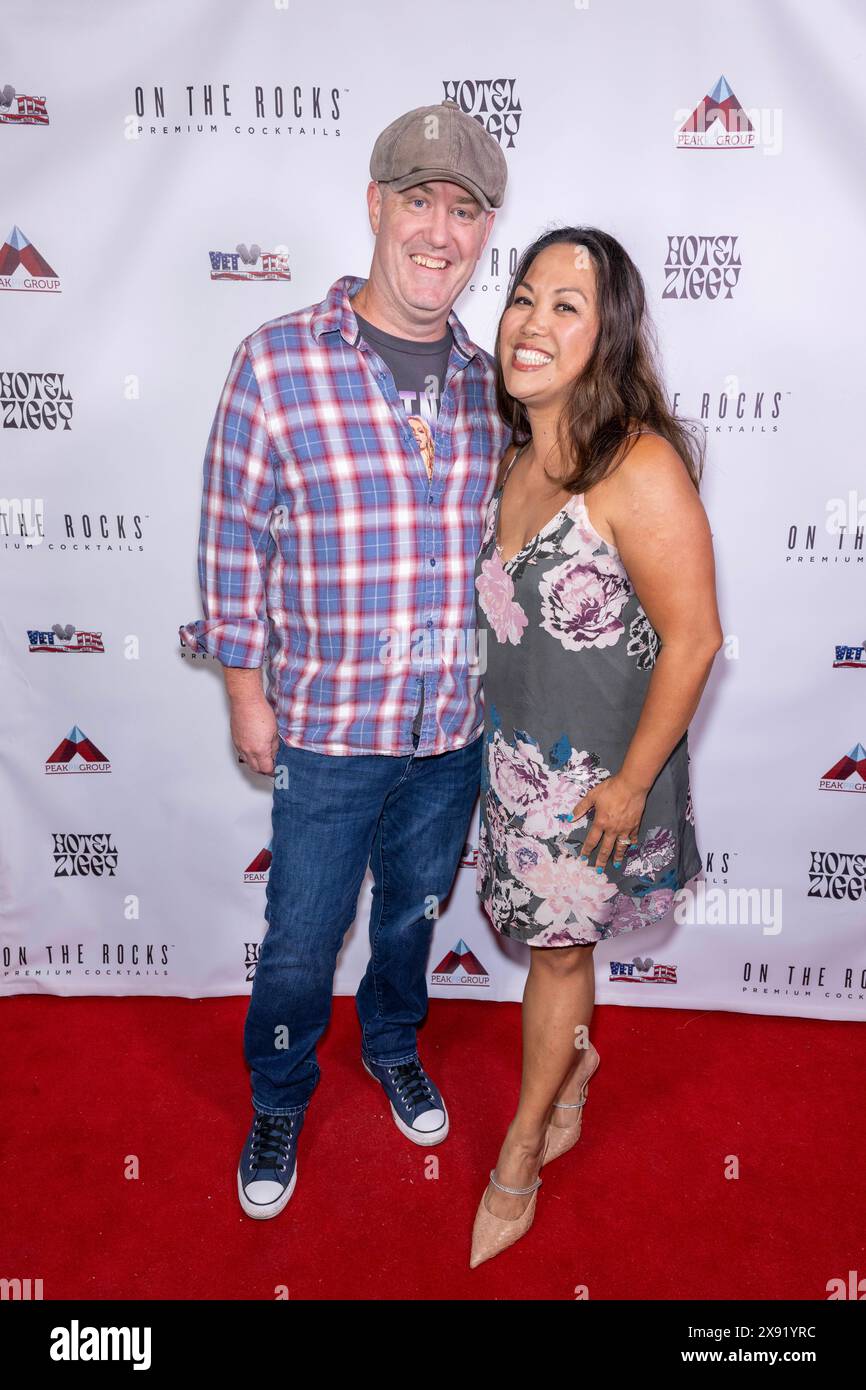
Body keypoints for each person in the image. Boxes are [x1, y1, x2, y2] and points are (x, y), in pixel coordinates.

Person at [179, 100, 510, 1219]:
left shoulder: (486, 383)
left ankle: (390, 1042)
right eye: (418, 199)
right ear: (374, 207)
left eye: (463, 210)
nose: (438, 231)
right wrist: (242, 688)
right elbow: (232, 534)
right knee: (302, 936)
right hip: (324, 731)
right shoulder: (276, 362)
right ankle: (279, 1091)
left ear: (482, 232)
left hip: (448, 733)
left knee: (413, 917)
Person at [469, 228, 724, 1266]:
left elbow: (694, 638)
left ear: (605, 332)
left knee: (560, 955)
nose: (531, 321)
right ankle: (572, 1069)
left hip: (597, 784)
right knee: (550, 952)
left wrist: (628, 784)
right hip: (515, 768)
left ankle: (523, 1146)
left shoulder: (639, 464)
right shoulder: (514, 457)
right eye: (523, 297)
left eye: (565, 305)